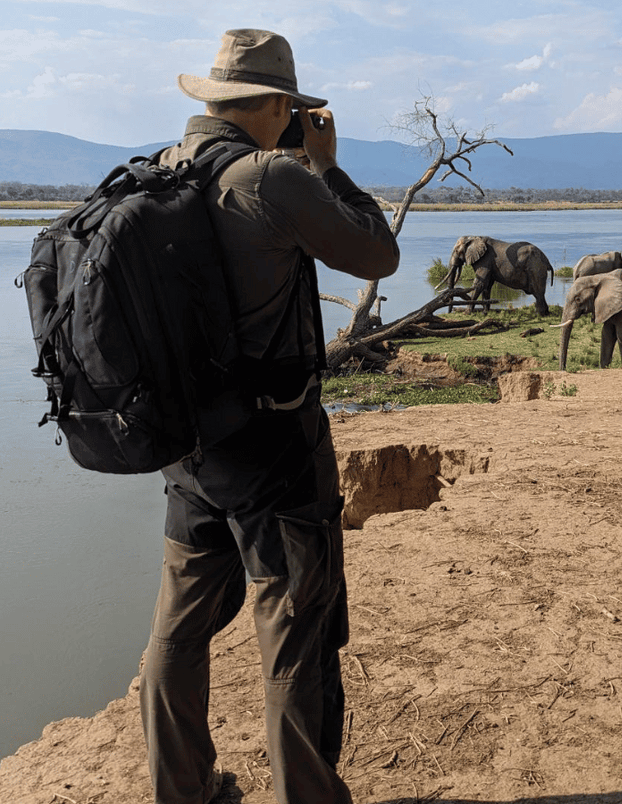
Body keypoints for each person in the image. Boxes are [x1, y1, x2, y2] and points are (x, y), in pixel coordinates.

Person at [138, 29, 399, 804]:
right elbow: (378, 254)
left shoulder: (159, 170)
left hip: (186, 445)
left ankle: (180, 791)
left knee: (178, 631)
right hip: (275, 448)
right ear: (282, 105)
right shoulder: (272, 178)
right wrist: (327, 161)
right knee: (294, 628)